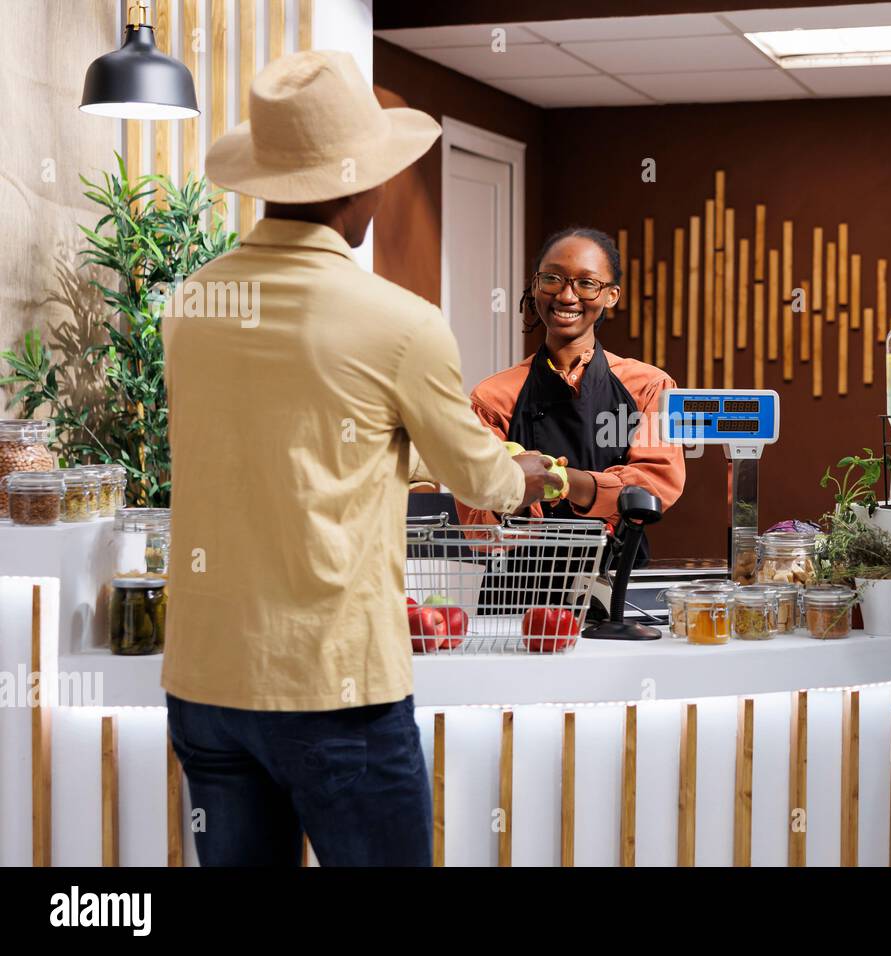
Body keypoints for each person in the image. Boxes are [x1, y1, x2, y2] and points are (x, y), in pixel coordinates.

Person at [160, 50, 560, 866]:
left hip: (208, 682)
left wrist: (401, 459)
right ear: (355, 188)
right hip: (334, 684)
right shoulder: (401, 323)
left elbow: (288, 447)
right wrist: (523, 473)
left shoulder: (192, 304)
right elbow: (480, 478)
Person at [457, 228, 686, 561]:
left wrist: (560, 480)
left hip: (617, 579)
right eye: (552, 279)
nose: (566, 296)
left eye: (586, 283)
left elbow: (652, 488)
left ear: (611, 295)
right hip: (518, 588)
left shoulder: (650, 387)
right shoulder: (492, 397)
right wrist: (515, 491)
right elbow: (478, 530)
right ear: (535, 286)